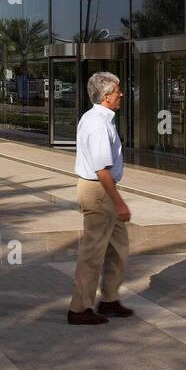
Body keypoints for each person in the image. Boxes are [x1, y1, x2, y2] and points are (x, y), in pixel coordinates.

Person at [67, 71, 133, 325]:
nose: (121, 94)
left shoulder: (101, 118)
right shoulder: (97, 123)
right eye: (117, 91)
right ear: (106, 96)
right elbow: (100, 168)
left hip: (102, 189)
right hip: (98, 191)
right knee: (92, 252)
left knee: (119, 247)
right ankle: (79, 308)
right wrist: (118, 202)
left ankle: (109, 300)